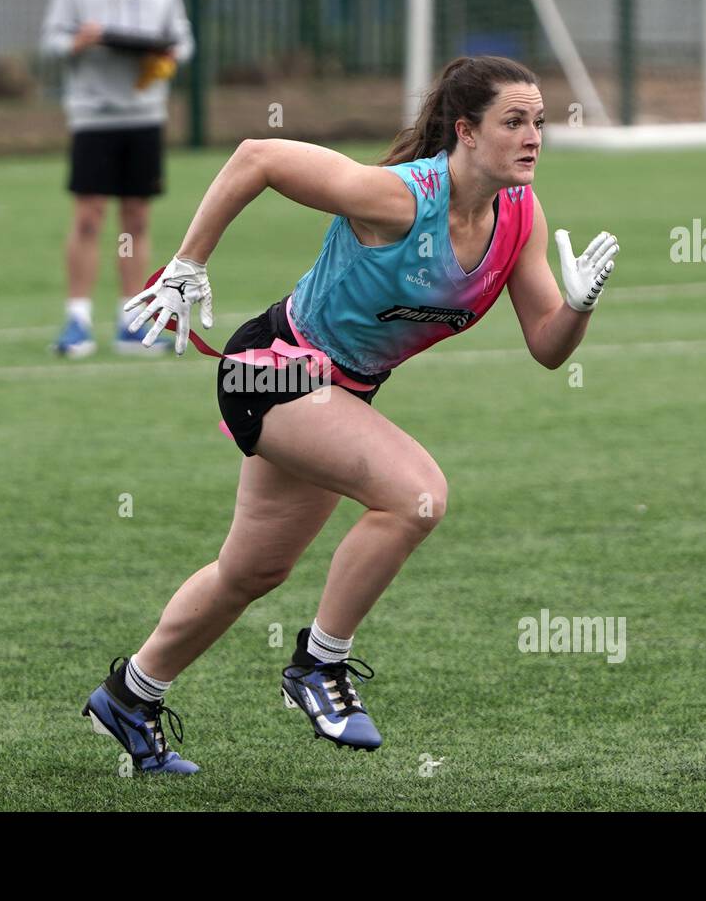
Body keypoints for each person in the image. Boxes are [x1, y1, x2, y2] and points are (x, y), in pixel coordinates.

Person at [82, 56, 619, 773]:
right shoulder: (399, 198)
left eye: (539, 123)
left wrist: (579, 309)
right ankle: (318, 666)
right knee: (418, 496)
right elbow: (258, 157)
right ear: (465, 131)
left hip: (342, 392)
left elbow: (549, 349)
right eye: (513, 122)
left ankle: (130, 695)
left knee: (251, 572)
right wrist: (187, 266)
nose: (533, 137)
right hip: (277, 369)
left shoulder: (519, 216)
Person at [40, 0, 194, 357]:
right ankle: (77, 319)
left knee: (137, 218)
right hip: (93, 116)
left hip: (144, 115)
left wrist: (169, 53)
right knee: (89, 215)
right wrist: (80, 41)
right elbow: (51, 43)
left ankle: (131, 321)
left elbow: (183, 41)